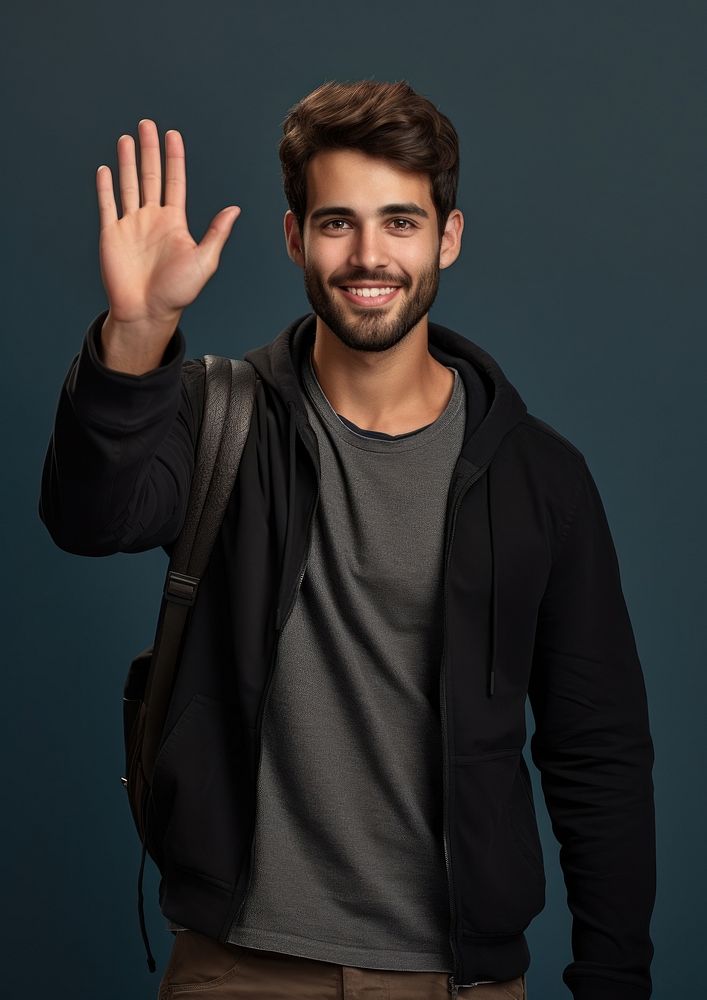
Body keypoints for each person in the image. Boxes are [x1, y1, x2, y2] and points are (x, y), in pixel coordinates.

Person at [38, 80, 656, 1000]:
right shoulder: (216, 417)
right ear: (294, 239)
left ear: (447, 237)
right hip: (236, 965)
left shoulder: (539, 477)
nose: (370, 255)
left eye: (400, 222)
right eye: (337, 223)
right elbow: (87, 521)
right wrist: (138, 331)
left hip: (456, 978)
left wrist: (614, 979)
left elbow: (595, 745)